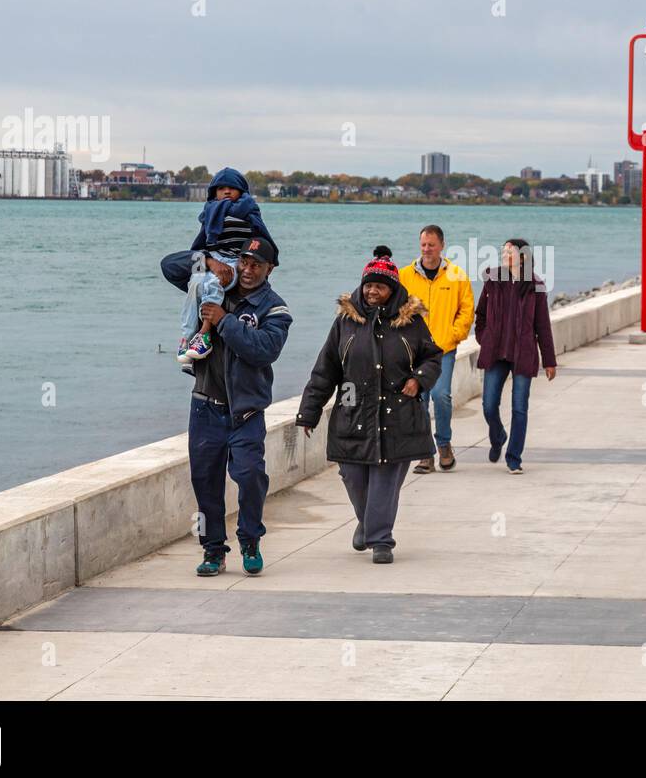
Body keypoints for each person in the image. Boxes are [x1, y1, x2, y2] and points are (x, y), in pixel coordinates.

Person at [296, 247, 442, 564]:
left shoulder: (412, 322)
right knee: (351, 474)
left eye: (380, 286)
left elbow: (432, 356)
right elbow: (326, 369)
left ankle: (380, 540)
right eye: (368, 285)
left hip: (399, 414)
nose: (372, 291)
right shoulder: (345, 323)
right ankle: (366, 522)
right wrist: (309, 411)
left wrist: (419, 379)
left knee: (385, 481)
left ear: (392, 290)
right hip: (353, 412)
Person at [160, 236, 293, 577]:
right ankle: (212, 550)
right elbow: (169, 266)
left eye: (256, 266)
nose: (247, 271)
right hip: (205, 406)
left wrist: (223, 320)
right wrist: (207, 261)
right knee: (205, 482)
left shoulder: (275, 309)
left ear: (270, 269)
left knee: (249, 476)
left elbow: (262, 350)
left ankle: (250, 539)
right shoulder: (218, 284)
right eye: (244, 263)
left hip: (246, 412)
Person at [474, 239, 557, 474]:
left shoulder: (535, 286)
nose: (504, 254)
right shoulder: (492, 281)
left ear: (522, 257)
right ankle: (498, 435)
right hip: (496, 353)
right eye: (503, 251)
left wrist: (549, 360)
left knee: (519, 408)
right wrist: (485, 338)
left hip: (523, 353)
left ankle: (513, 458)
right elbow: (480, 315)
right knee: (489, 405)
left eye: (510, 251)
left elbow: (543, 325)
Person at [399, 225, 475, 474]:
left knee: (441, 396)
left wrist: (454, 335)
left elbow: (466, 310)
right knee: (419, 400)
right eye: (423, 244)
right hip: (414, 351)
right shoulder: (405, 275)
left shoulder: (456, 275)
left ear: (442, 245)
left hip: (443, 349)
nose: (426, 249)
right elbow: (395, 308)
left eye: (431, 245)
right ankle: (425, 454)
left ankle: (444, 444)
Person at [179, 168, 276, 363]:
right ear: (214, 192)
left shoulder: (248, 210)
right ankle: (187, 338)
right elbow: (200, 243)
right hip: (213, 256)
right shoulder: (210, 212)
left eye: (232, 188)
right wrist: (204, 259)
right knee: (194, 283)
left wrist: (270, 263)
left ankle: (204, 334)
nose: (226, 191)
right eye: (221, 188)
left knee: (215, 283)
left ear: (242, 191)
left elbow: (262, 236)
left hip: (235, 259)